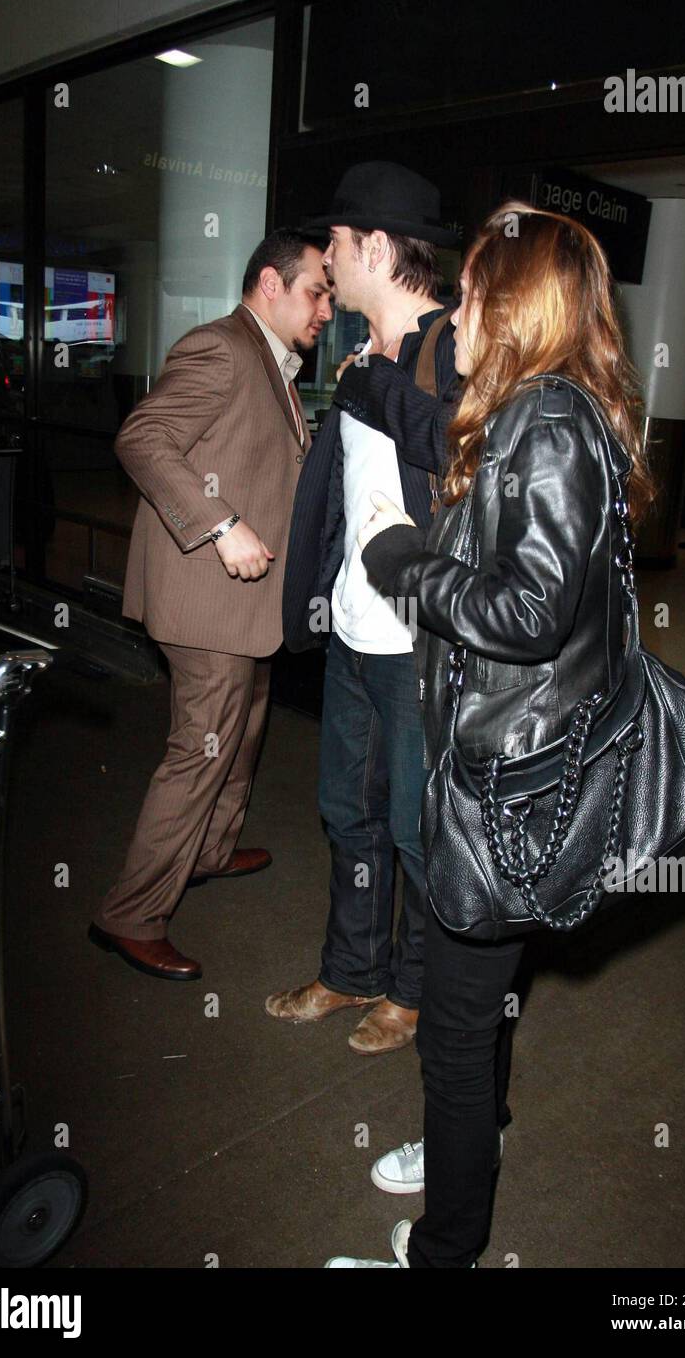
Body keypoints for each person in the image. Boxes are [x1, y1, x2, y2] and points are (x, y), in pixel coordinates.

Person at [326, 200, 655, 1266]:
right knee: (478, 1014)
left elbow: (522, 611)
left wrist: (396, 558)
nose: (454, 312)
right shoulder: (555, 412)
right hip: (525, 769)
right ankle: (472, 1140)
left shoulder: (544, 419)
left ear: (510, 306)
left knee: (457, 1034)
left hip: (508, 785)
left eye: (469, 291)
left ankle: (444, 1248)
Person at [90, 230, 332, 980]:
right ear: (270, 283)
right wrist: (221, 525)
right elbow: (143, 438)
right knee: (201, 751)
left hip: (248, 607)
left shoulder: (274, 363)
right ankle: (129, 914)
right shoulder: (222, 348)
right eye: (317, 289)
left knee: (243, 733)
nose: (327, 305)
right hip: (208, 601)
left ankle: (212, 850)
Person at [266, 162, 460, 1055]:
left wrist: (373, 381)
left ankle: (414, 992)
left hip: (421, 647)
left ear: (378, 249)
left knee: (421, 836)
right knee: (348, 813)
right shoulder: (360, 362)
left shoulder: (455, 352)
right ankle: (352, 972)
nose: (327, 260)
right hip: (351, 632)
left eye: (338, 244)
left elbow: (457, 454)